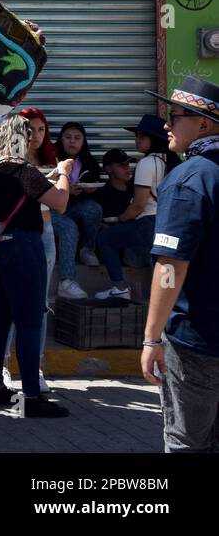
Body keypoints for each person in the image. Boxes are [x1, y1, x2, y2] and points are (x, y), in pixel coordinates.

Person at [0, 113, 74, 418]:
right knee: (29, 321)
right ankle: (30, 398)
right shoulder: (20, 168)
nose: (33, 138)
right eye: (28, 134)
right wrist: (66, 172)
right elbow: (60, 202)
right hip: (22, 247)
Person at [140, 77, 219, 452]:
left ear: (203, 124)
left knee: (187, 441)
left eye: (174, 116)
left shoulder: (190, 179)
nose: (166, 125)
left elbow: (171, 266)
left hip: (199, 341)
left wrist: (152, 337)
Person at [94, 115, 179, 300]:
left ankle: (120, 287)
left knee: (105, 238)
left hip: (149, 224)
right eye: (137, 136)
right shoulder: (173, 161)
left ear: (154, 139)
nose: (137, 140)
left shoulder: (147, 163)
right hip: (170, 226)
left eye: (142, 136)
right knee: (163, 271)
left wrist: (118, 220)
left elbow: (138, 205)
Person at [50, 121, 105, 300]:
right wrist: (65, 188)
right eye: (68, 137)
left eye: (77, 138)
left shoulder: (89, 163)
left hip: (72, 207)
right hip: (51, 210)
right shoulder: (50, 158)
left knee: (93, 208)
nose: (72, 142)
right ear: (61, 139)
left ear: (83, 141)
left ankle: (87, 249)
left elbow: (96, 188)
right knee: (68, 226)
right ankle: (66, 280)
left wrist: (88, 191)